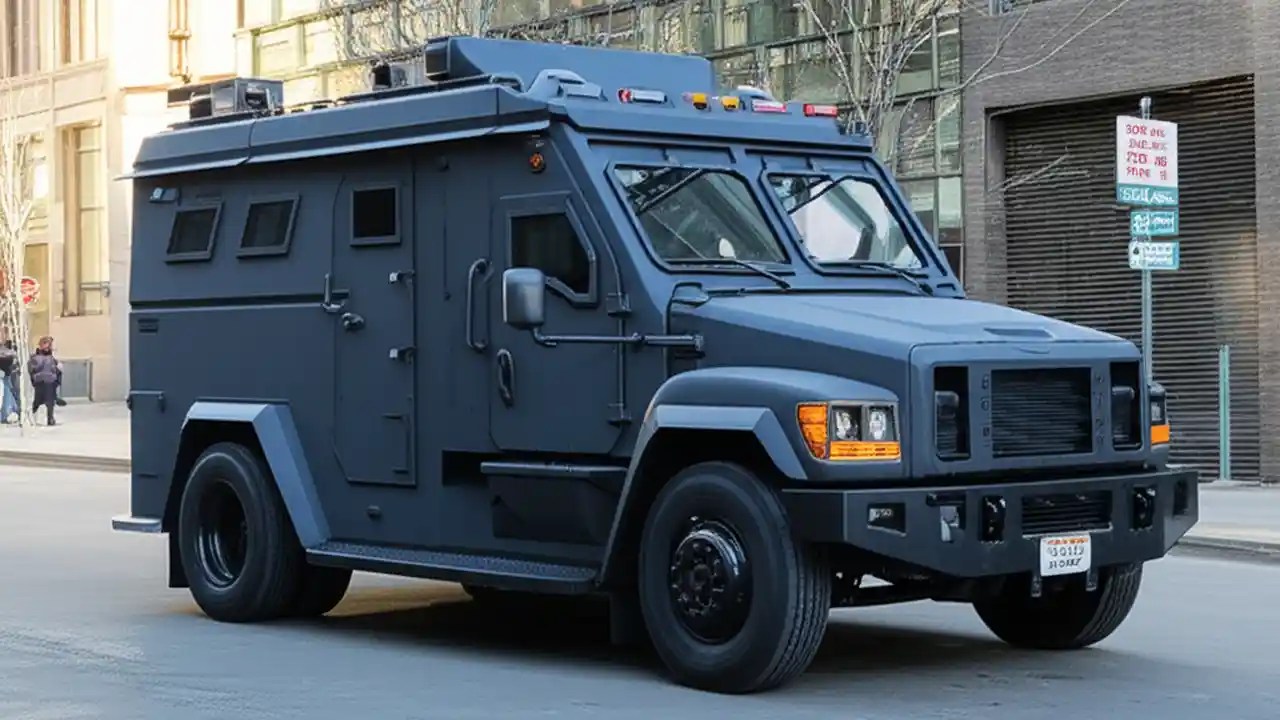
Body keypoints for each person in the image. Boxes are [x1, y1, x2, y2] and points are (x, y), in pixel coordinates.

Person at [28, 336, 59, 426]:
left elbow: (55, 369)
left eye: (49, 345)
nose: (48, 347)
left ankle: (50, 418)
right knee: (38, 400)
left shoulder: (51, 357)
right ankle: (32, 416)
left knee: (50, 401)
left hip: (49, 381)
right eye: (46, 344)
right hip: (40, 381)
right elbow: (32, 368)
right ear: (41, 345)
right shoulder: (36, 357)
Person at [0, 339, 16, 424]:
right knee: (6, 394)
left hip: (5, 375)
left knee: (6, 394)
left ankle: (4, 415)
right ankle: (4, 415)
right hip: (5, 375)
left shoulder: (7, 352)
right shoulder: (9, 353)